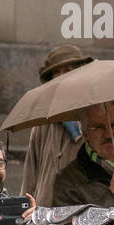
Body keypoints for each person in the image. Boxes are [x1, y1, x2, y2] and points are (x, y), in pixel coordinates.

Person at [20, 43, 95, 207]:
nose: (63, 77)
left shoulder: (100, 115)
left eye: (69, 70)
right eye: (57, 72)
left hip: (89, 210)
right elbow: (30, 175)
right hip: (48, 210)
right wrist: (24, 210)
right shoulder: (44, 121)